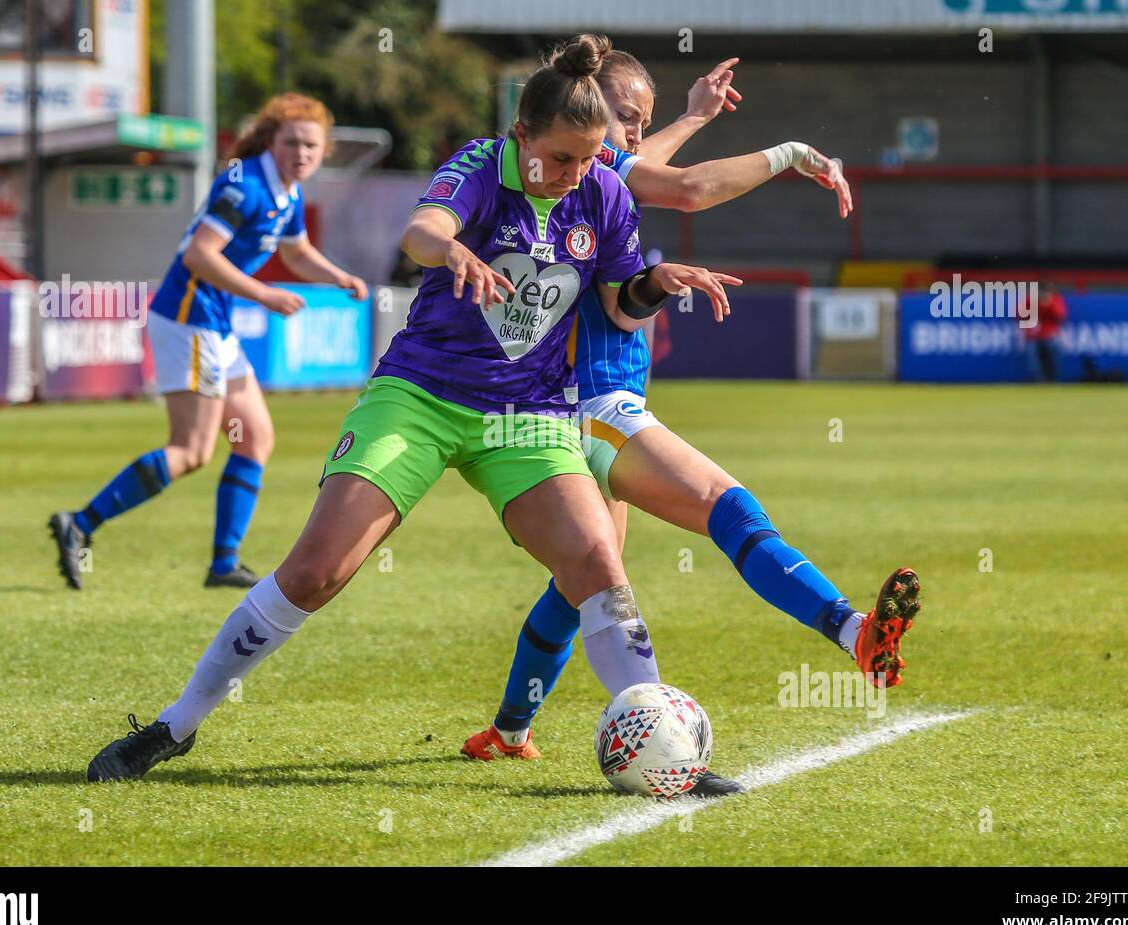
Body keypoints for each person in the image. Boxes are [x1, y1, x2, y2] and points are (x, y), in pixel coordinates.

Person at [85, 35, 745, 796]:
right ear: (521, 134)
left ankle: (670, 753)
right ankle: (175, 726)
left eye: (591, 158)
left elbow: (619, 307)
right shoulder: (477, 166)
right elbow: (422, 231)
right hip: (421, 396)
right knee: (317, 571)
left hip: (524, 417)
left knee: (599, 568)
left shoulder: (602, 189)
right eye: (561, 159)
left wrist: (656, 283)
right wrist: (453, 253)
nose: (575, 176)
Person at [462, 50, 921, 762]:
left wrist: (692, 117)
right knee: (727, 505)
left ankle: (509, 730)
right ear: (583, 109)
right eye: (626, 118)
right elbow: (687, 187)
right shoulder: (592, 170)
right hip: (590, 406)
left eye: (643, 124)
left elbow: (645, 163)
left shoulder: (586, 169)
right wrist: (792, 151)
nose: (633, 137)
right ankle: (851, 630)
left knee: (584, 580)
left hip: (566, 411)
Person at [47, 94, 368, 591]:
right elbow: (200, 255)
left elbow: (297, 251)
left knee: (255, 438)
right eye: (291, 142)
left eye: (311, 145)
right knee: (191, 451)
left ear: (324, 151)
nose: (301, 153)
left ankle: (223, 563)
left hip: (214, 324)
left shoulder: (288, 192)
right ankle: (80, 523)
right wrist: (263, 293)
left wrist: (338, 277)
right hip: (188, 319)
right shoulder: (244, 186)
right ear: (271, 141)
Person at [1023, 281, 1067, 382]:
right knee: (1031, 354)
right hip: (1033, 336)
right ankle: (1040, 381)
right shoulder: (1031, 300)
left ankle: (1054, 380)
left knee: (1055, 352)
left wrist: (1048, 304)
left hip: (1049, 335)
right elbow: (1021, 314)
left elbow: (1060, 315)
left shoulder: (1055, 300)